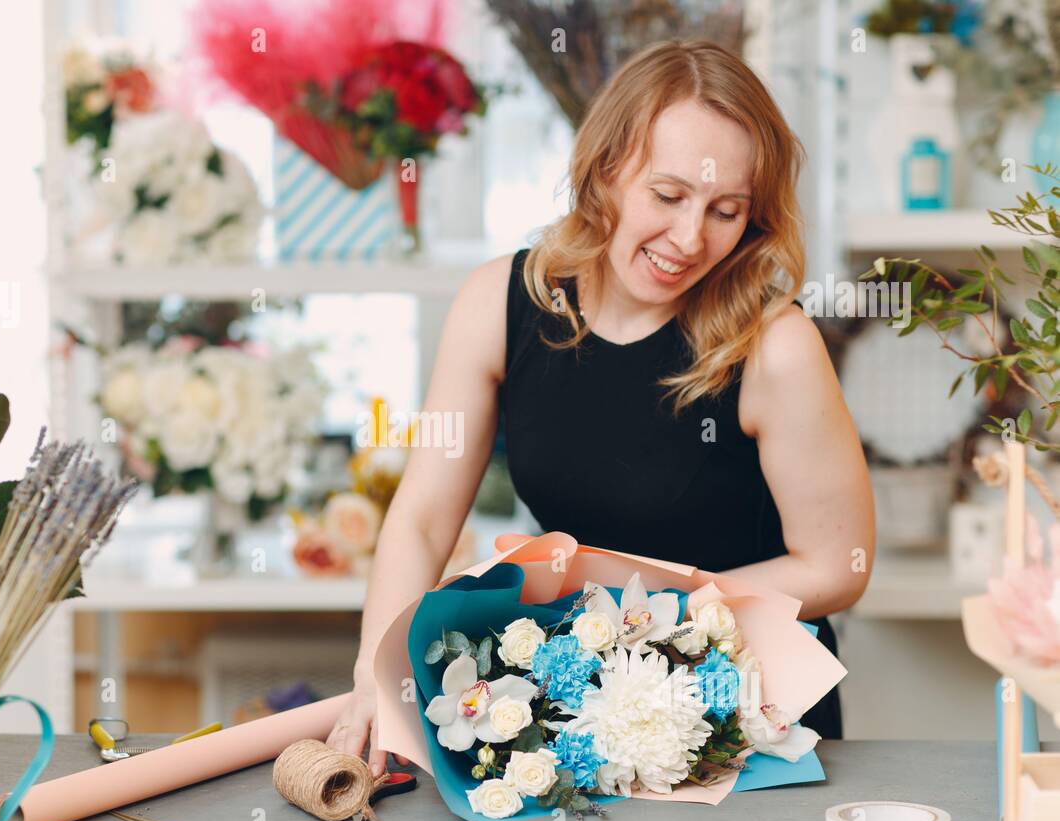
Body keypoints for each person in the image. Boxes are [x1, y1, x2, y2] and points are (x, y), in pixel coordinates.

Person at [327, 40, 875, 777]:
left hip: (751, 710)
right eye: (668, 196)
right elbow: (422, 519)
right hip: (578, 700)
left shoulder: (775, 345)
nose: (690, 238)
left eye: (726, 211)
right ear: (606, 167)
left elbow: (839, 565)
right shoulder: (499, 305)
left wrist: (645, 608)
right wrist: (375, 669)